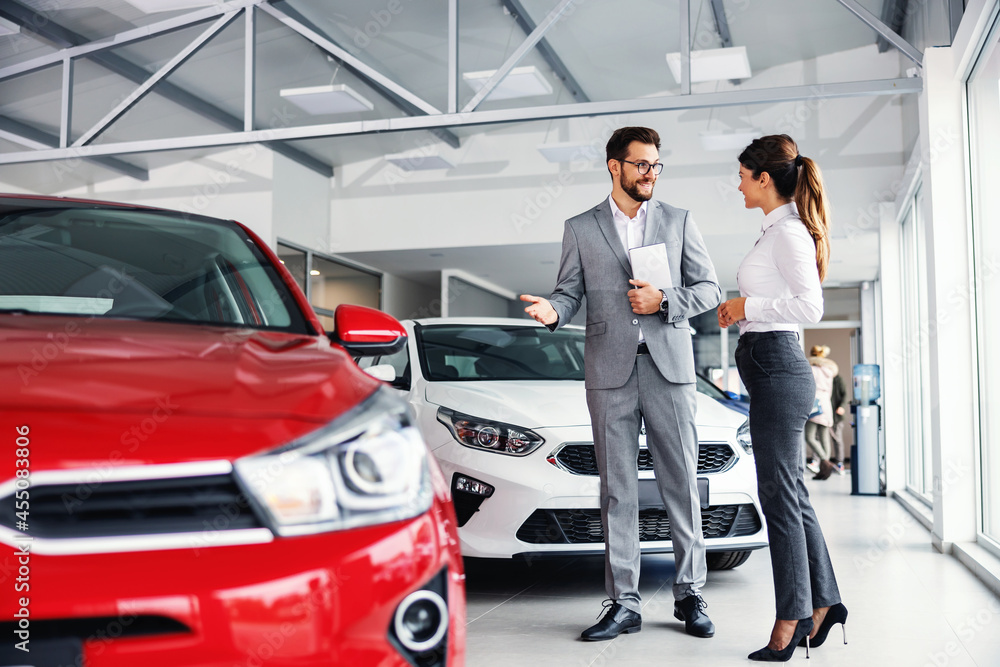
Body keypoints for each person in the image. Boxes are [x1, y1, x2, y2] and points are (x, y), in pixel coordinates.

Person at [520, 126, 721, 641]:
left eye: (656, 165)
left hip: (670, 369)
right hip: (609, 372)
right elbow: (568, 293)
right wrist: (551, 312)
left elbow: (709, 289)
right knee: (617, 490)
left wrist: (666, 302)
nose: (650, 173)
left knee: (682, 483)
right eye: (641, 165)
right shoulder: (581, 227)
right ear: (615, 167)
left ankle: (689, 593)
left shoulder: (679, 221)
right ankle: (623, 602)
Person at [716, 134, 847, 661]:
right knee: (790, 492)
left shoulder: (788, 233)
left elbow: (809, 306)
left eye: (743, 175)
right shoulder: (773, 232)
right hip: (769, 363)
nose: (738, 183)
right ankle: (824, 603)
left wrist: (748, 303)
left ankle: (791, 617)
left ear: (763, 178)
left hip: (778, 366)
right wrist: (744, 310)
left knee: (778, 497)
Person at [806, 345, 838, 481]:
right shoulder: (829, 371)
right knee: (824, 437)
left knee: (809, 436)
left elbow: (808, 387)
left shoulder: (811, 369)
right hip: (826, 403)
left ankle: (825, 462)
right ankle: (824, 470)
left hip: (815, 403)